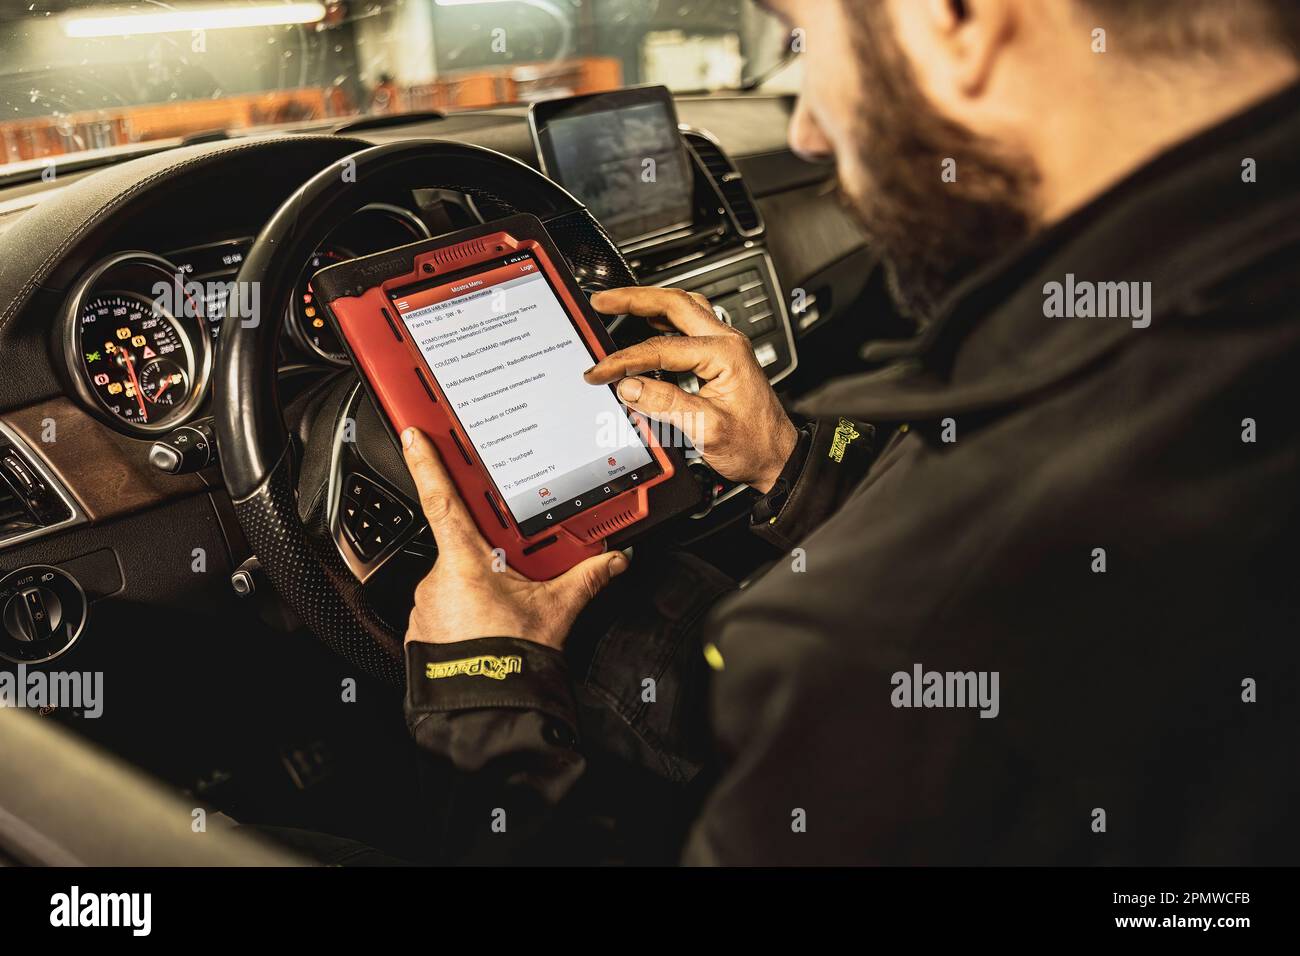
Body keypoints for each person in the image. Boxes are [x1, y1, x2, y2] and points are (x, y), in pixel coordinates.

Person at [397, 0, 1300, 864]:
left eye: (803, 38)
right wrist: (793, 471)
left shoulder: (885, 636)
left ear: (958, 18)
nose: (808, 134)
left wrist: (485, 702)